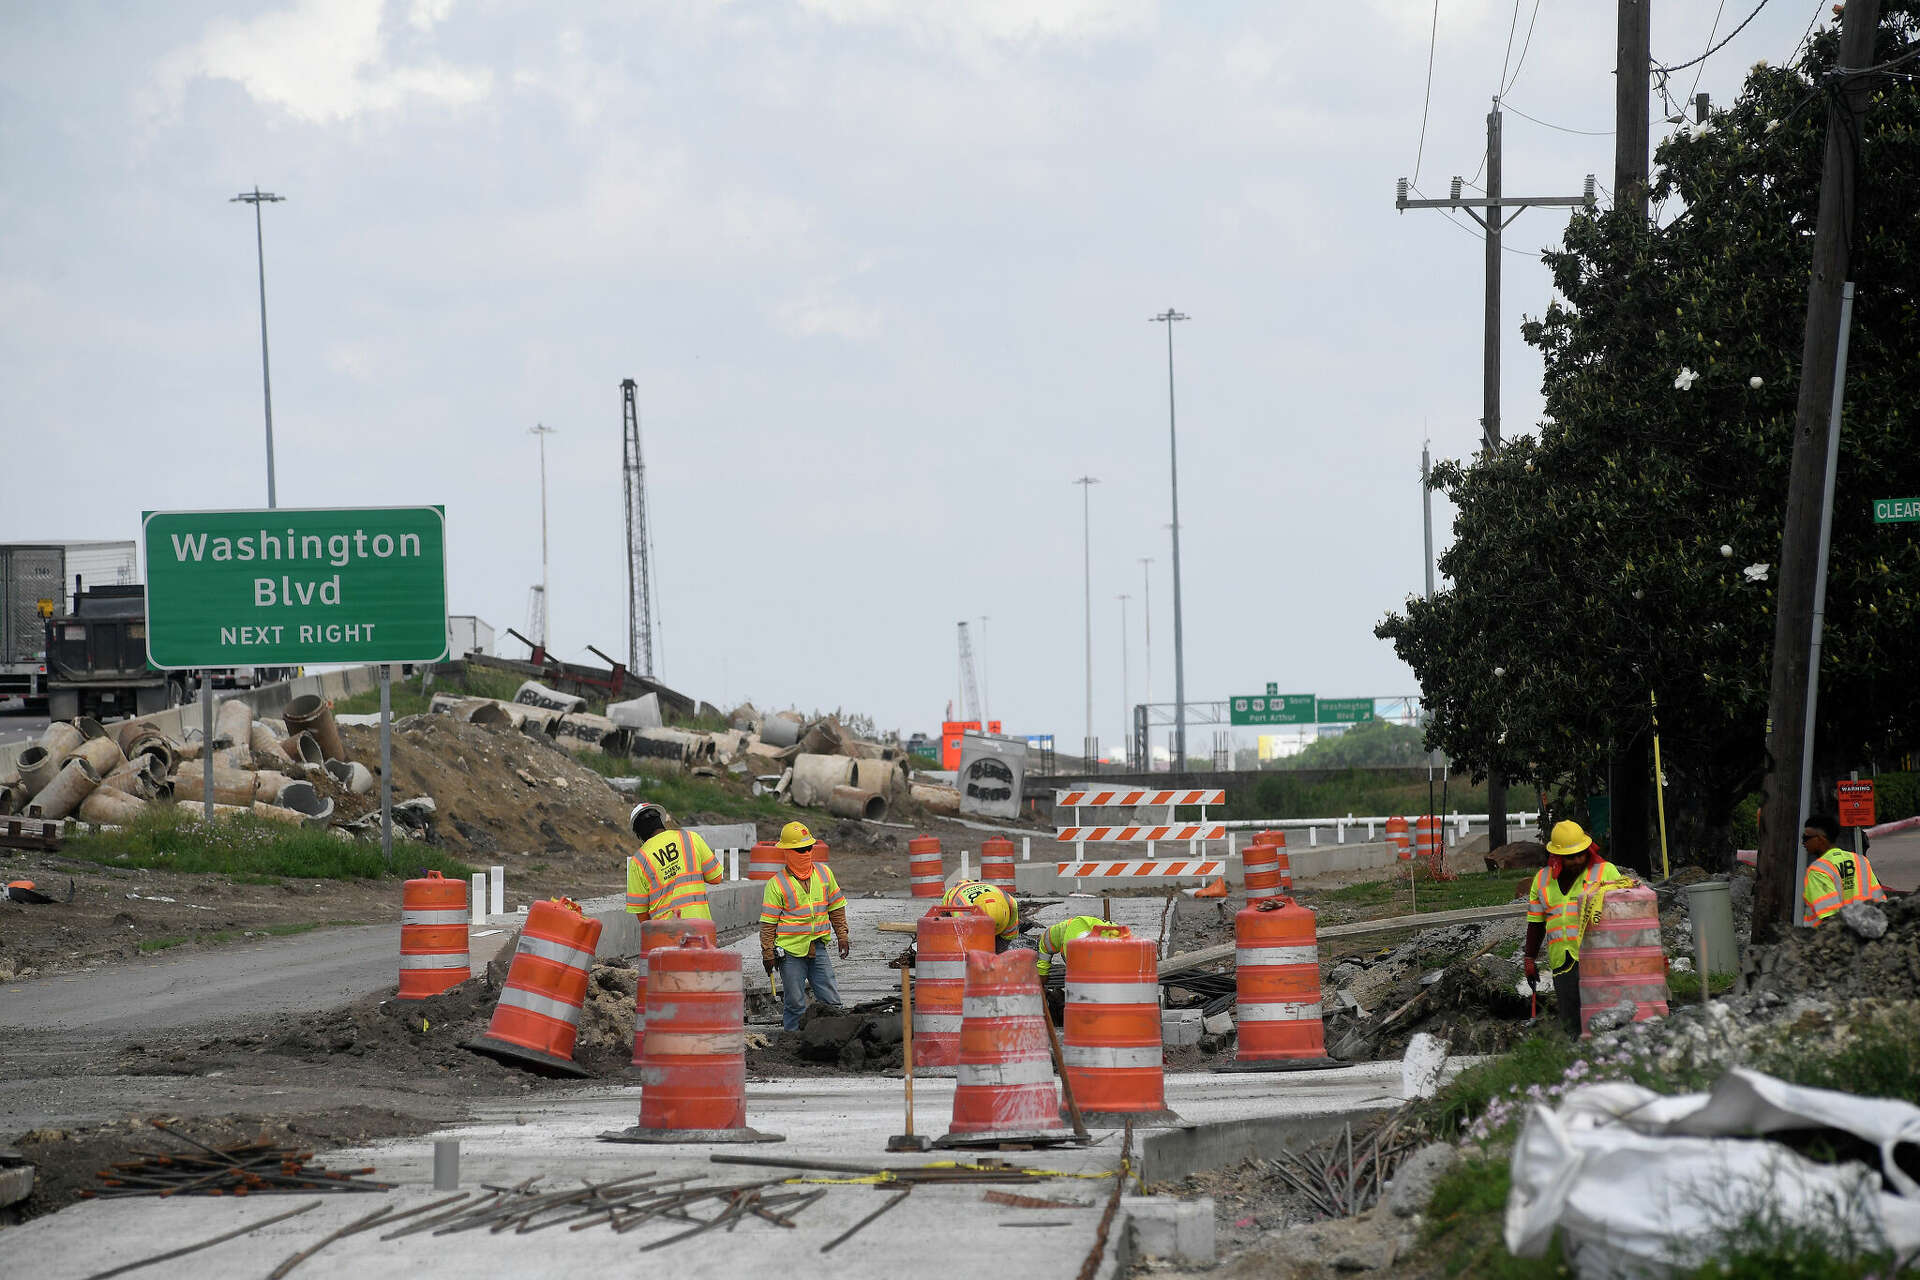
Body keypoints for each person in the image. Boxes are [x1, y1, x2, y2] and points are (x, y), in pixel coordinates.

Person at [1521, 819, 1634, 1036]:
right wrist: (1529, 958)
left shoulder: (1605, 872)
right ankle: (1577, 1063)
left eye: (1581, 853)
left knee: (1603, 1021)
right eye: (1570, 856)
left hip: (1599, 962)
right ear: (1557, 857)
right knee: (1572, 1023)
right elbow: (1536, 924)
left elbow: (1625, 916)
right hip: (1562, 962)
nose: (1578, 859)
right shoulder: (1542, 880)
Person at [760, 821, 850, 1030]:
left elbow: (836, 906)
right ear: (787, 852)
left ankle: (835, 1036)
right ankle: (792, 1042)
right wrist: (767, 953)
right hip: (790, 953)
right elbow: (768, 924)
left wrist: (842, 935)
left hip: (817, 947)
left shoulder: (824, 874)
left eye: (809, 848)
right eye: (800, 850)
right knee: (795, 1003)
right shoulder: (776, 884)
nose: (806, 853)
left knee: (831, 1000)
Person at [624, 802, 723, 920]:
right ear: (660, 821)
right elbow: (716, 878)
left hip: (666, 933)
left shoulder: (638, 861)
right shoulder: (691, 838)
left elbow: (641, 913)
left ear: (638, 833)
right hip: (700, 927)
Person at [1801, 811, 1886, 927]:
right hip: (1863, 933)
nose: (1803, 842)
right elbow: (1880, 903)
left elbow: (1829, 917)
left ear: (1821, 839)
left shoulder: (1818, 870)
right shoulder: (1860, 861)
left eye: (1807, 838)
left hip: (1830, 939)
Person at [941, 879, 1020, 948]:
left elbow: (1008, 937)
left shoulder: (1011, 903)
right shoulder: (962, 914)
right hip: (955, 893)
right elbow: (965, 945)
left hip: (982, 886)